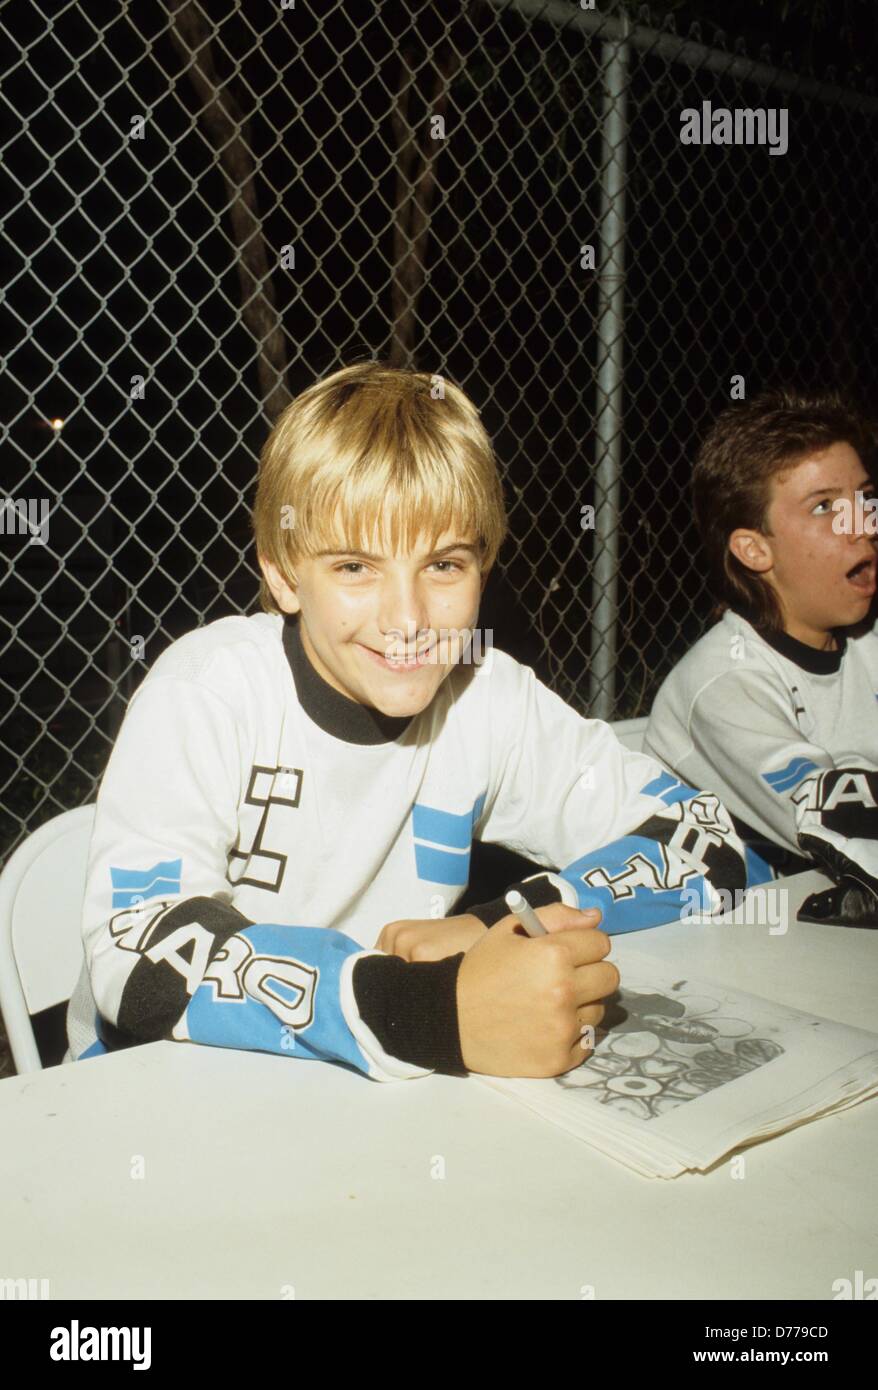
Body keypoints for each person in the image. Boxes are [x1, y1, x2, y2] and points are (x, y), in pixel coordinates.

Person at [66, 362, 758, 1081]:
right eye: (356, 568)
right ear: (282, 574)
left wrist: (503, 919)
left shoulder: (488, 696)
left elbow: (709, 843)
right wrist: (429, 1012)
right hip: (158, 1086)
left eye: (444, 565)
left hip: (373, 1088)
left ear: (483, 568)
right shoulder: (208, 688)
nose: (408, 621)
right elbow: (141, 956)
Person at [645, 387, 878, 927]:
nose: (862, 524)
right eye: (825, 508)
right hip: (728, 944)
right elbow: (834, 818)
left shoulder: (867, 640)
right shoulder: (723, 683)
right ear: (754, 550)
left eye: (865, 497)